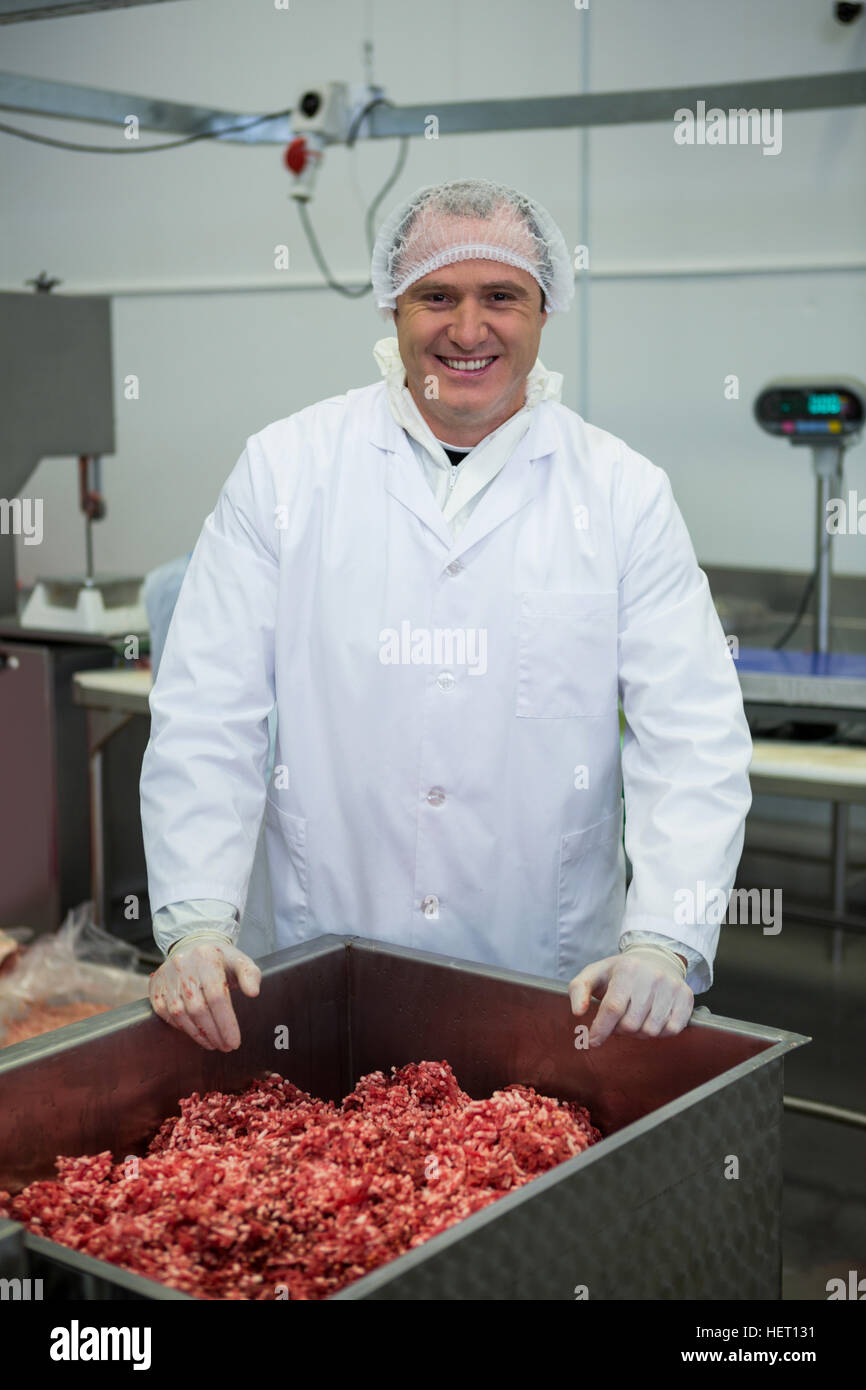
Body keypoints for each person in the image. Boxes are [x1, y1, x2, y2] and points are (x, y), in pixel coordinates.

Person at [140, 177, 752, 1054]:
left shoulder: (622, 492)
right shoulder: (286, 470)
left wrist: (664, 939)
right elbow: (207, 710)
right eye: (438, 297)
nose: (468, 330)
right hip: (320, 960)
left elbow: (692, 734)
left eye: (501, 295)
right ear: (394, 308)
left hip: (547, 975)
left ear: (545, 311)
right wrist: (197, 921)